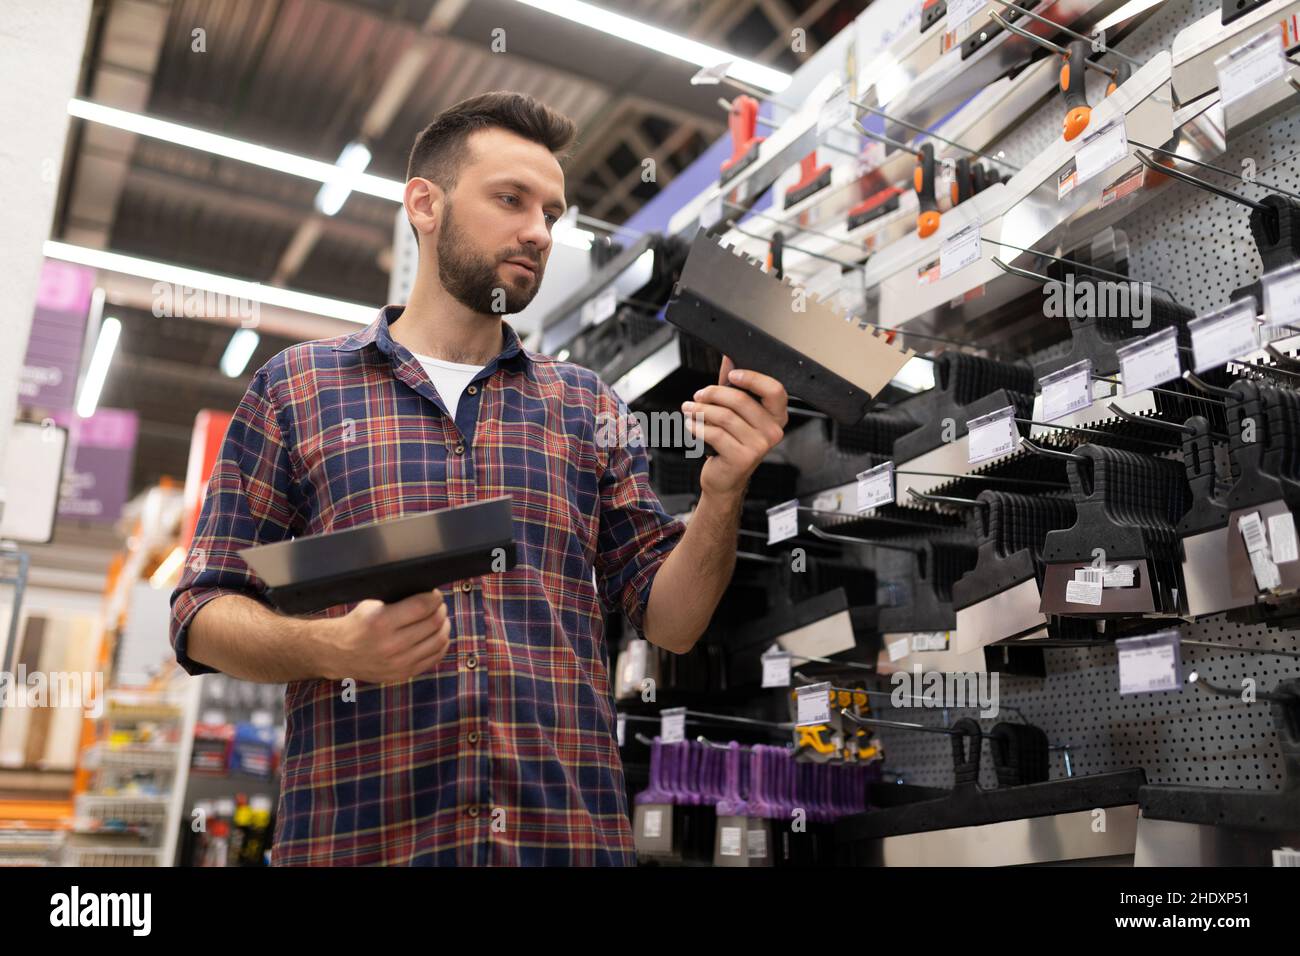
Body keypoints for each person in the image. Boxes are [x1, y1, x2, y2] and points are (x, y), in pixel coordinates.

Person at [169, 90, 789, 865]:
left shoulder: (584, 404)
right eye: (510, 200)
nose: (538, 230)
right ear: (424, 205)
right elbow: (200, 611)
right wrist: (333, 648)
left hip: (561, 841)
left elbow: (672, 621)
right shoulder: (298, 390)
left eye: (553, 214)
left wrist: (722, 492)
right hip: (364, 841)